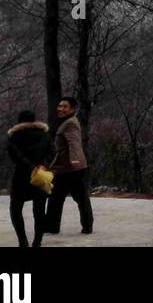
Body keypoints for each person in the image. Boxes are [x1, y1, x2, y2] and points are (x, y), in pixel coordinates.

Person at [44, 96, 93, 235]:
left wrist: (75, 160)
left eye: (65, 106)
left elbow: (74, 143)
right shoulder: (67, 121)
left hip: (72, 168)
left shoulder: (70, 123)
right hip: (65, 167)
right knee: (58, 197)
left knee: (78, 197)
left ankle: (86, 226)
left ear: (72, 109)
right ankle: (53, 226)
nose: (61, 109)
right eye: (60, 106)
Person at [6, 110, 50, 248]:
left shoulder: (14, 136)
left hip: (21, 175)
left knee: (15, 208)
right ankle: (37, 241)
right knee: (39, 210)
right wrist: (42, 166)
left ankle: (22, 241)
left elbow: (15, 156)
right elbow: (51, 153)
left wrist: (30, 167)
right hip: (41, 174)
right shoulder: (45, 135)